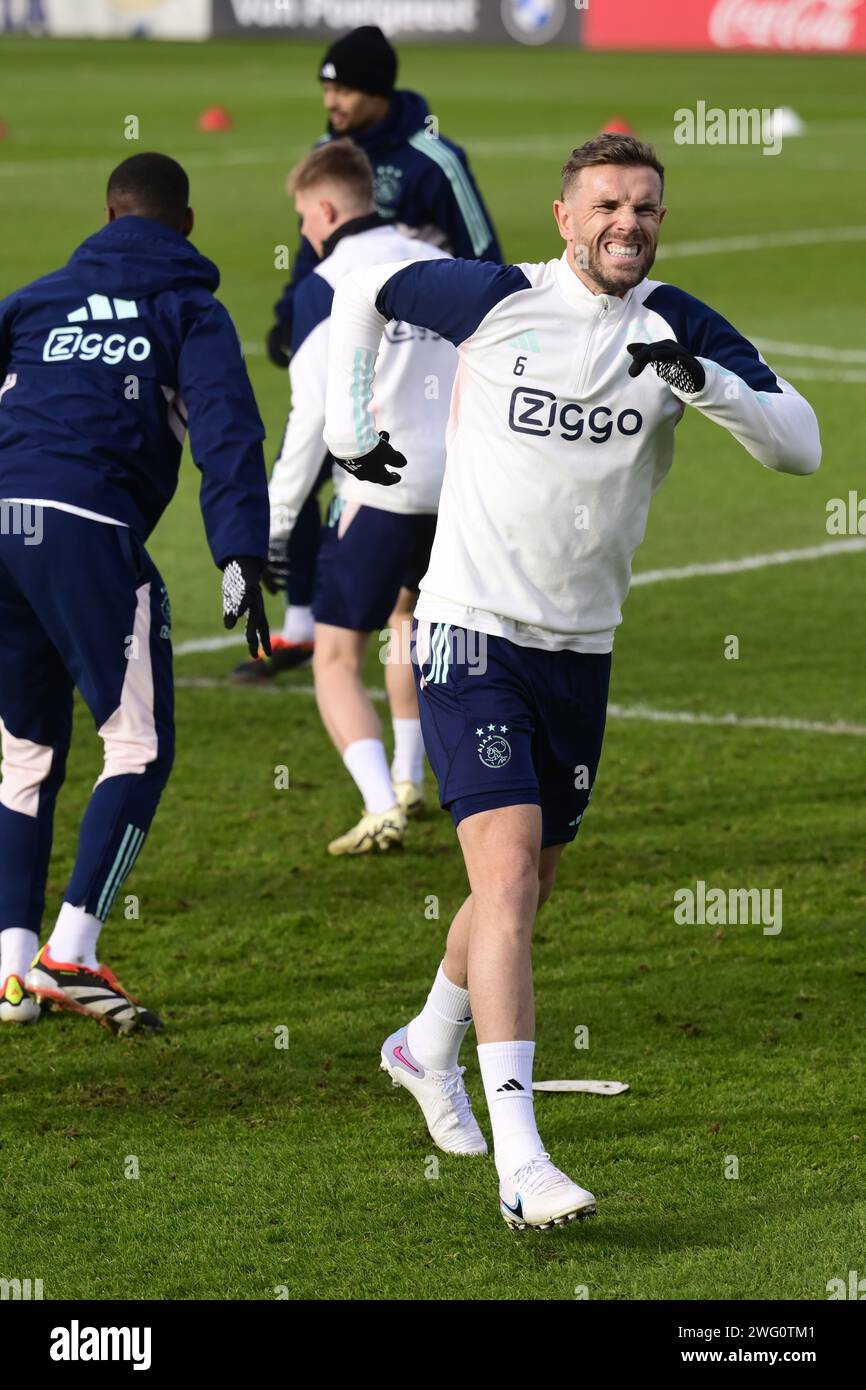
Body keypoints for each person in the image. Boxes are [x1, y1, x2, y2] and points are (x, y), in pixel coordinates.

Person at [323, 133, 822, 1227]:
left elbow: (799, 446)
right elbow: (361, 289)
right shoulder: (498, 297)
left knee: (527, 888)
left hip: (580, 652)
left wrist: (699, 383)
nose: (626, 223)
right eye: (605, 204)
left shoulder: (674, 322)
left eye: (644, 207)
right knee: (503, 880)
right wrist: (349, 429)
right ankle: (520, 1163)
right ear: (563, 217)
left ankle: (422, 1043)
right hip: (468, 634)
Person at [0, 152, 270, 1033]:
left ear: (106, 216)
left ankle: (9, 974)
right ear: (183, 226)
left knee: (25, 756)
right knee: (138, 747)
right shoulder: (189, 307)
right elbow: (226, 436)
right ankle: (70, 952)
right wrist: (238, 556)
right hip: (82, 530)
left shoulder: (35, 299)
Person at [237, 22, 500, 681]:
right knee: (307, 450)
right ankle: (300, 624)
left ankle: (395, 635)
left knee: (347, 462)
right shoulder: (334, 148)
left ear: (378, 91)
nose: (334, 103)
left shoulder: (434, 157)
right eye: (328, 89)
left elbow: (483, 255)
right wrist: (287, 312)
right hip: (337, 327)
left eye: (346, 90)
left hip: (411, 355)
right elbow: (314, 241)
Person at [264, 141, 456, 854]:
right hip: (460, 491)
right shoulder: (441, 263)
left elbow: (310, 423)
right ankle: (411, 775)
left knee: (336, 656)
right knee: (408, 623)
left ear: (324, 208)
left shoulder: (325, 284)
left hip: (380, 494)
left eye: (304, 221)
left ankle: (382, 806)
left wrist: (277, 528)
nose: (305, 237)